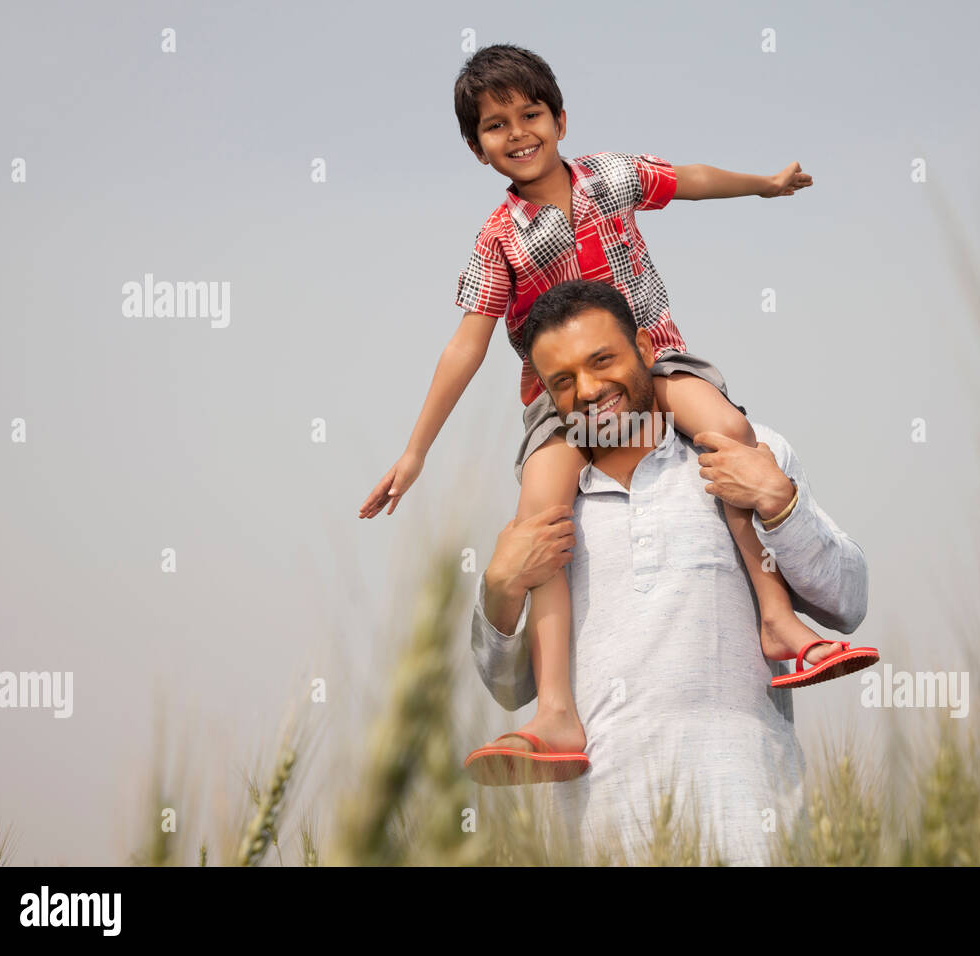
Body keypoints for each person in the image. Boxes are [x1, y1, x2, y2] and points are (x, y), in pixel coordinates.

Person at [358, 43, 863, 775]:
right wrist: (416, 451)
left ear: (560, 119)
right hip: (562, 404)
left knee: (730, 434)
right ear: (477, 151)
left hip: (654, 359)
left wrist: (764, 184)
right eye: (496, 126)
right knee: (542, 519)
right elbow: (465, 345)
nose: (518, 132)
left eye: (530, 113)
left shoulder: (608, 178)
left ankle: (779, 619)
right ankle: (557, 711)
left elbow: (686, 179)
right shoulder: (498, 240)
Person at [466, 280, 872, 864]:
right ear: (545, 396)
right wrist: (500, 587)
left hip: (753, 827)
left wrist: (781, 504)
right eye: (563, 381)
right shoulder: (543, 511)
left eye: (602, 359)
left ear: (647, 348)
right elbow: (508, 689)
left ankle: (779, 621)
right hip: (603, 839)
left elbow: (849, 598)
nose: (588, 390)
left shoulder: (748, 453)